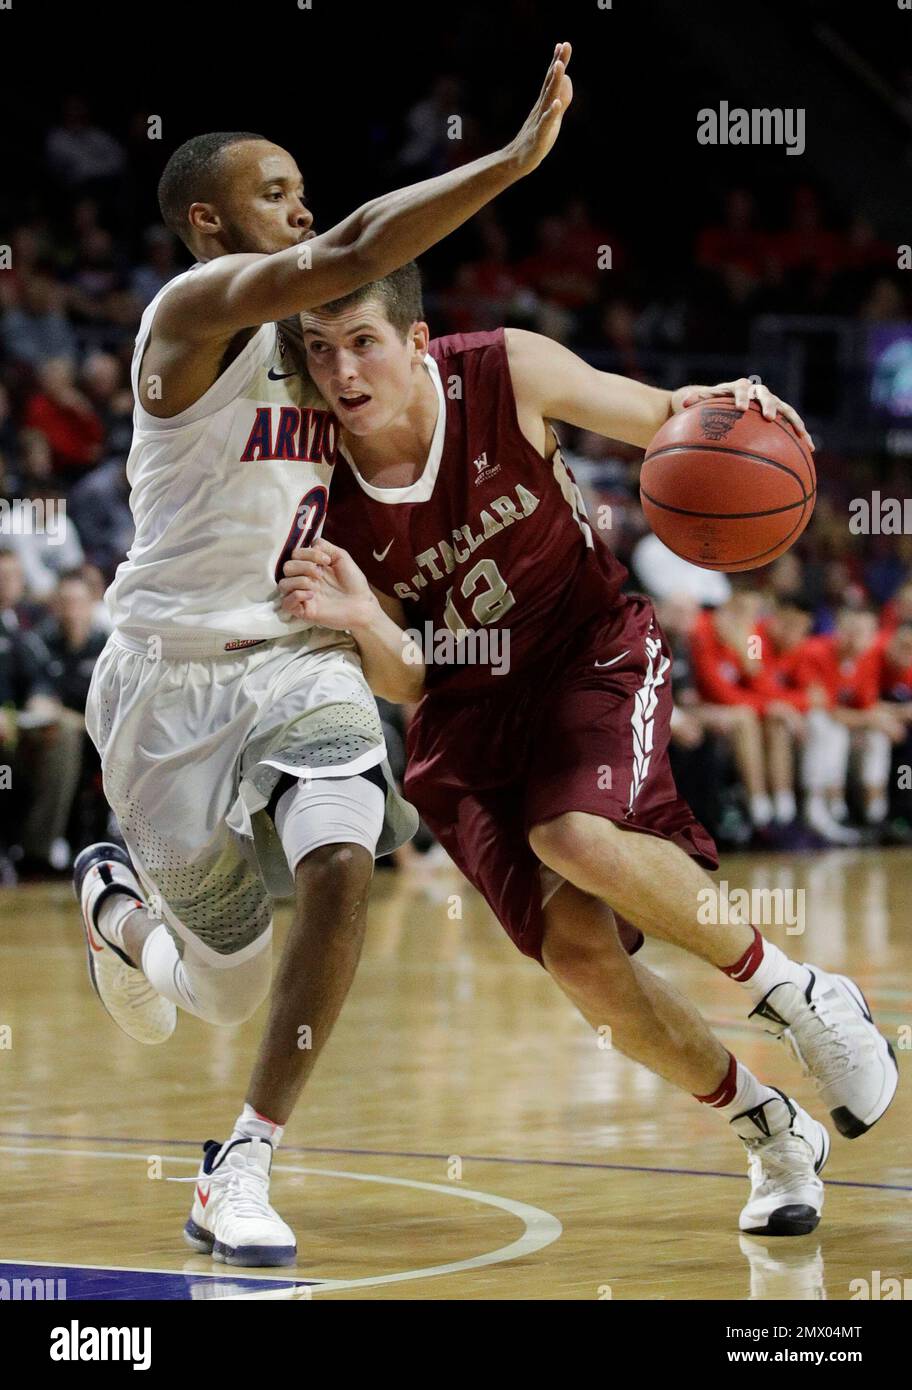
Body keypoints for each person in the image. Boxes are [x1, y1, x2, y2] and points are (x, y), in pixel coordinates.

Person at [73, 43, 574, 1269]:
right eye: (274, 191)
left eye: (304, 188)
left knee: (347, 845)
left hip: (294, 652)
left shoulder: (321, 343)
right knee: (227, 983)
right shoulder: (188, 313)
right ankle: (117, 911)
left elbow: (406, 364)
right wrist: (509, 163)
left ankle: (240, 1161)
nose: (299, 205)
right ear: (208, 220)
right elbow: (350, 249)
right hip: (165, 676)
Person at [278, 262, 897, 1238]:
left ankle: (799, 994)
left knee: (572, 831)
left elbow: (664, 414)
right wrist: (362, 618)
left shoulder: (502, 370)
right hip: (464, 717)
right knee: (580, 958)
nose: (341, 369)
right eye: (319, 351)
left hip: (587, 648)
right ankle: (770, 1131)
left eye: (361, 341)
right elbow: (407, 676)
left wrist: (732, 401)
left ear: (415, 339)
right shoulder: (323, 493)